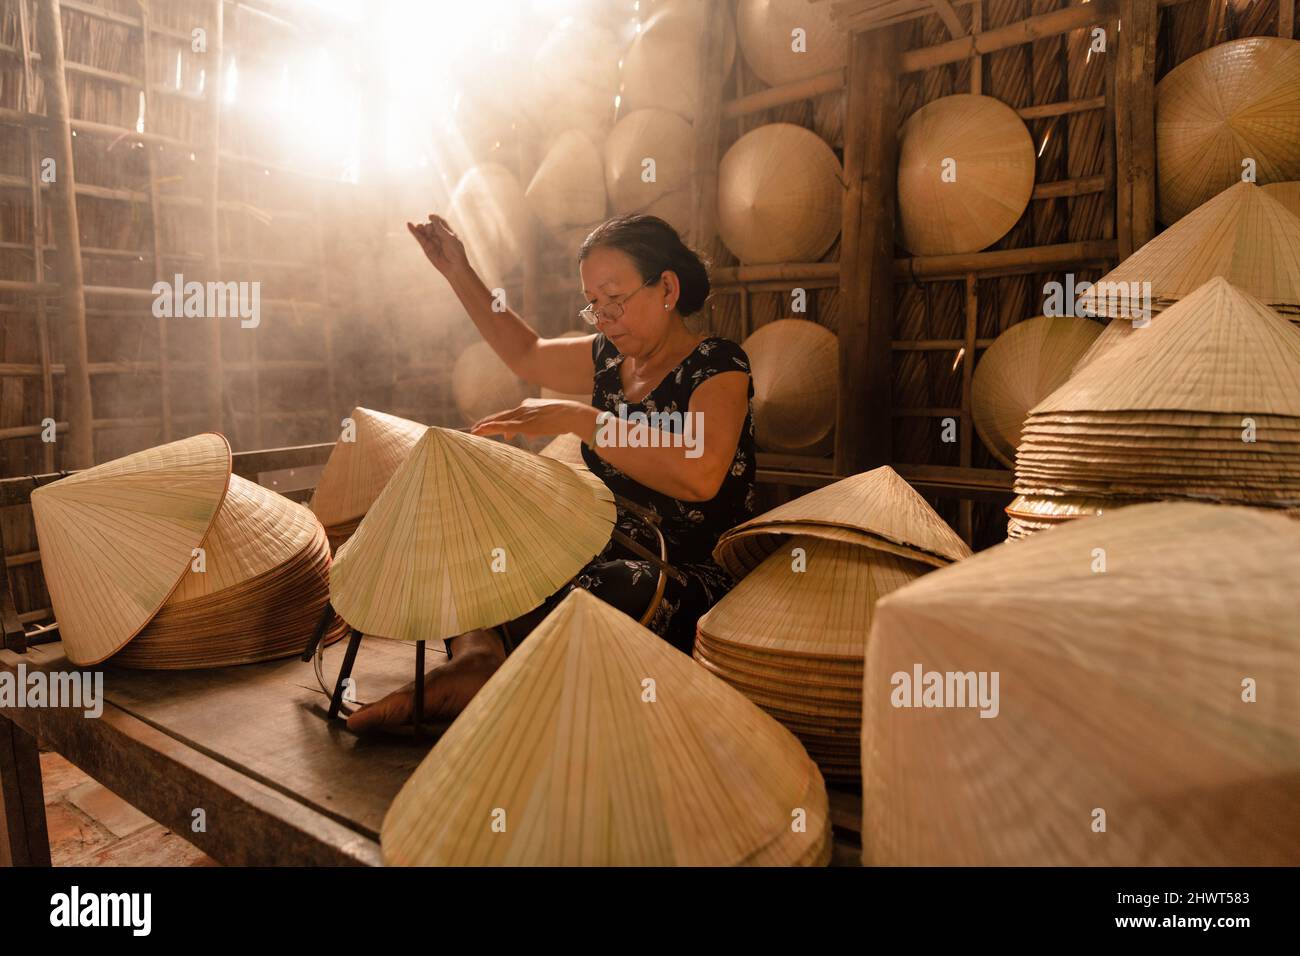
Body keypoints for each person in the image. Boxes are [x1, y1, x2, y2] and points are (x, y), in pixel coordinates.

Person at [347, 213, 757, 732]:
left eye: (615, 299)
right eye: (595, 305)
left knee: (614, 587)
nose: (604, 317)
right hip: (595, 542)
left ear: (667, 288)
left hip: (679, 570)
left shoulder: (718, 366)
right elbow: (526, 353)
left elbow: (700, 474)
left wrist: (579, 418)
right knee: (483, 539)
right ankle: (476, 659)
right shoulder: (609, 359)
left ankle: (491, 665)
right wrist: (459, 272)